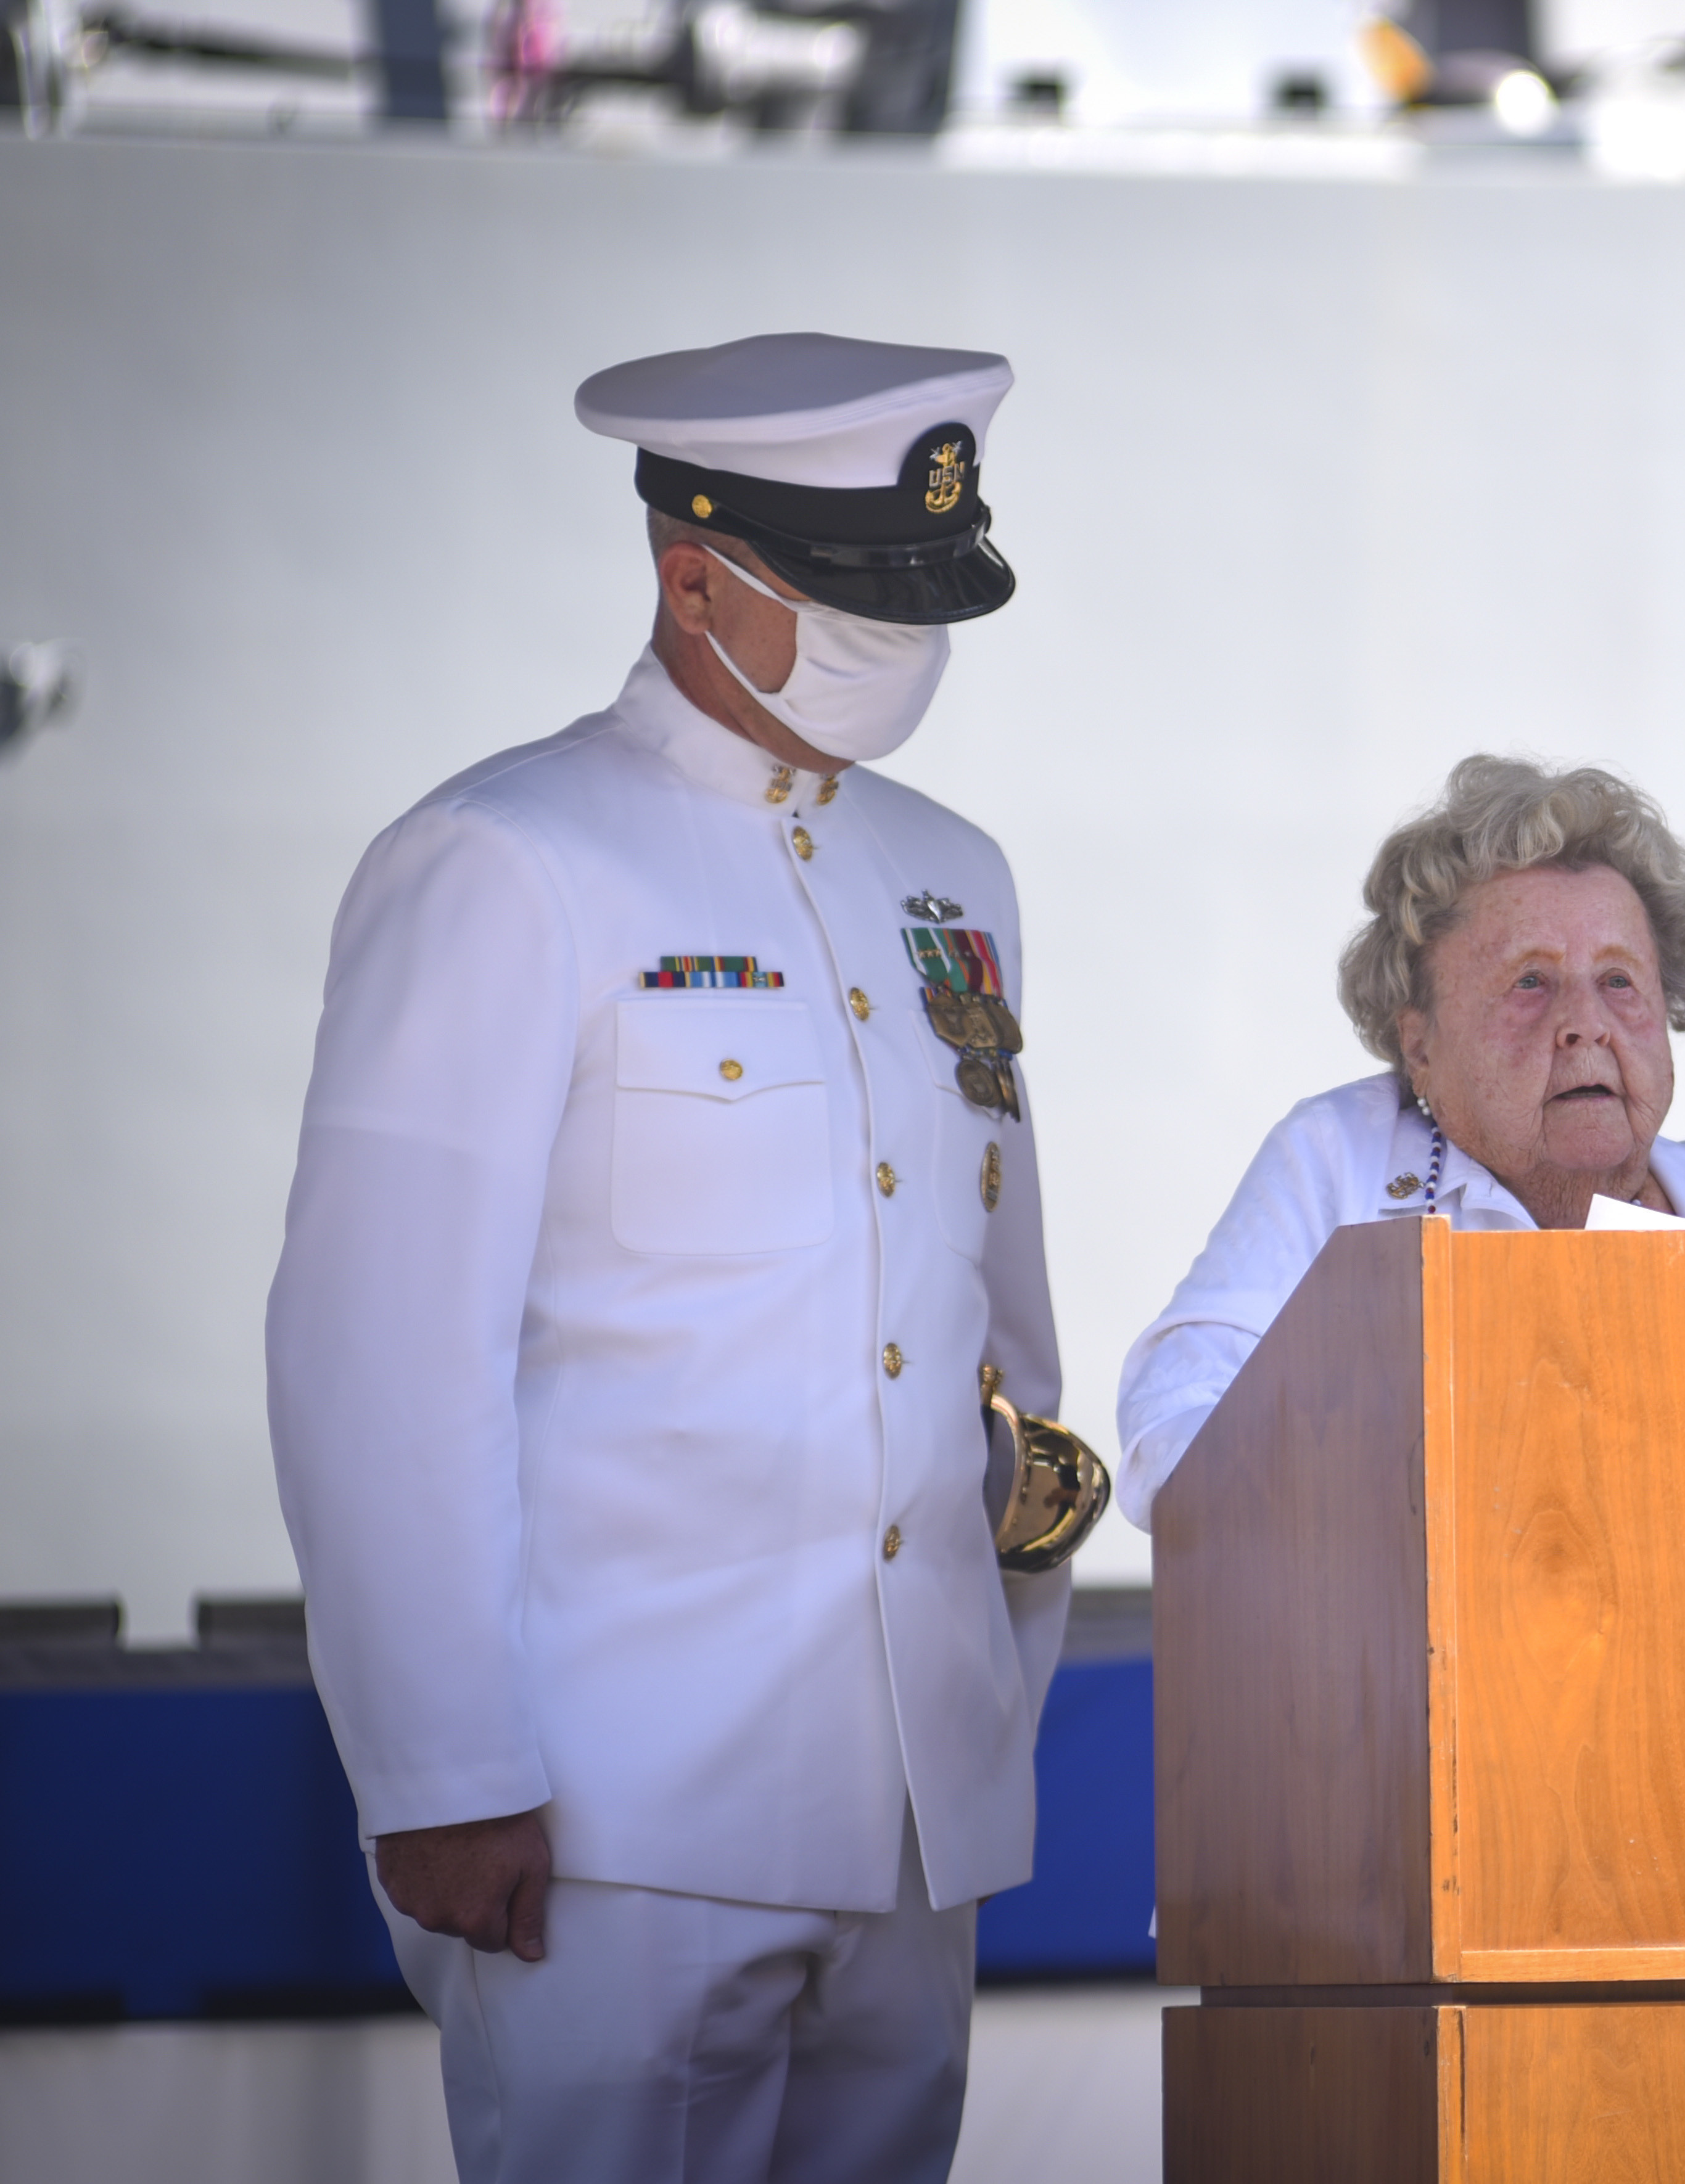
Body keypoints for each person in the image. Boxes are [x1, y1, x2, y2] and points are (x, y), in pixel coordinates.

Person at [266, 334, 1065, 2184]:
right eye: (851, 599)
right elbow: (381, 1354)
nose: (899, 641)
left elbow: (994, 1330)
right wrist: (443, 1771)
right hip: (616, 1813)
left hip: (910, 1798)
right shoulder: (508, 861)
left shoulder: (952, 877)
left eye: (919, 599)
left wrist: (993, 1691)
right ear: (692, 577)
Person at [1114, 755, 1685, 1521]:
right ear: (1420, 1043)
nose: (1586, 1023)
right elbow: (1173, 1438)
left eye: (1618, 979)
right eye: (1530, 982)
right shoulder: (1339, 1164)